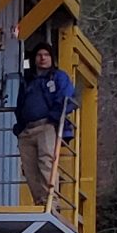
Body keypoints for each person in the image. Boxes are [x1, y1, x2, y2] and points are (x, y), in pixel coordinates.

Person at [13, 40, 78, 209]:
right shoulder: (28, 81)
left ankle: (52, 203)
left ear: (52, 58)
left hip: (47, 126)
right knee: (29, 168)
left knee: (47, 163)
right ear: (34, 59)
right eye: (39, 55)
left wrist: (53, 118)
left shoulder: (59, 77)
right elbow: (20, 104)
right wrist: (19, 126)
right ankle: (40, 203)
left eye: (46, 55)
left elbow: (66, 98)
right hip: (27, 129)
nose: (43, 58)